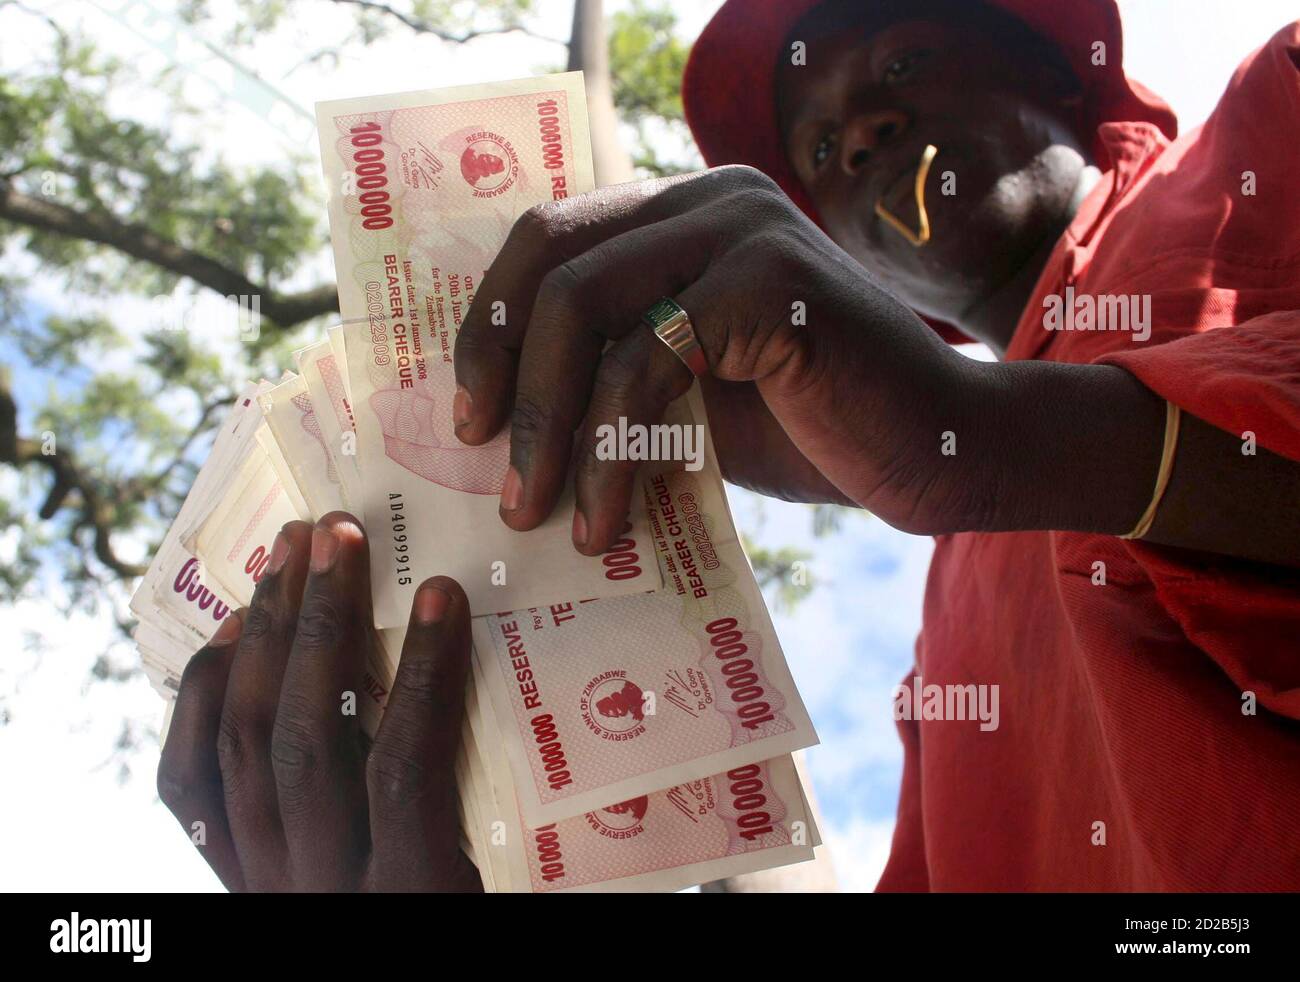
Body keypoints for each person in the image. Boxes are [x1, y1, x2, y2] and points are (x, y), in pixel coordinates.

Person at [159, 0, 1300, 891]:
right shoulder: (949, 620)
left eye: (900, 66)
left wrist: (987, 437)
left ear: (1058, 75)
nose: (856, 129)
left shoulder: (1273, 109)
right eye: (816, 149)